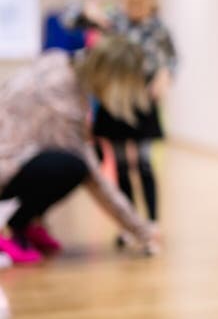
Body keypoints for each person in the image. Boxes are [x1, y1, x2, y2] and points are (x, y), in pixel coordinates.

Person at [0, 38, 158, 264]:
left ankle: (28, 222)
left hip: (10, 157)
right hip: (4, 170)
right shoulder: (65, 101)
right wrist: (141, 230)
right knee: (73, 166)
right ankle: (10, 227)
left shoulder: (57, 60)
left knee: (67, 158)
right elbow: (93, 177)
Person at [62, 0, 176, 239]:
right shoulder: (112, 20)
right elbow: (69, 20)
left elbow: (172, 59)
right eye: (129, 1)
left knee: (145, 163)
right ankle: (130, 223)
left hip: (143, 101)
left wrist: (164, 75)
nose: (135, 7)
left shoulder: (158, 28)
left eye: (140, 2)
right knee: (122, 166)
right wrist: (88, 13)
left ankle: (152, 222)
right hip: (115, 101)